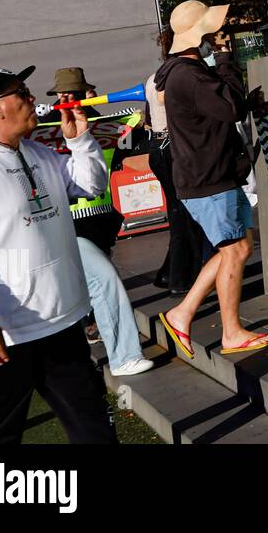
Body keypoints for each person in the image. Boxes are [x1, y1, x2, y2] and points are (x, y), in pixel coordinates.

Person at [0, 66, 117, 443]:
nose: (34, 99)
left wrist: (81, 141)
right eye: (23, 92)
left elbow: (91, 184)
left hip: (61, 324)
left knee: (94, 428)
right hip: (4, 335)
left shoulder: (39, 153)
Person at [154, 0, 268, 357]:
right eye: (215, 31)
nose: (220, 35)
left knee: (234, 248)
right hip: (208, 178)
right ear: (201, 34)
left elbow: (220, 108)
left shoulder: (180, 71)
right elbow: (230, 107)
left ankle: (182, 313)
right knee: (235, 249)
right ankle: (231, 332)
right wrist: (225, 58)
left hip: (208, 175)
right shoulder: (189, 74)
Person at [47, 68, 154, 377]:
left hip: (101, 215)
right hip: (69, 221)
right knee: (102, 278)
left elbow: (128, 153)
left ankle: (93, 331)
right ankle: (120, 353)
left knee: (95, 278)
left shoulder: (107, 123)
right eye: (62, 95)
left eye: (73, 94)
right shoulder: (46, 128)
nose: (67, 99)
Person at [147, 26, 210, 294]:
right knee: (186, 216)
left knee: (178, 213)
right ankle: (181, 279)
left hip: (158, 149)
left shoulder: (154, 78)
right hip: (177, 149)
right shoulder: (183, 76)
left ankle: (170, 273)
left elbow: (147, 119)